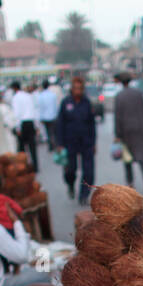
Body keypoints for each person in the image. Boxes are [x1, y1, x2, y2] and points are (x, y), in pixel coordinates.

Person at [57, 75, 97, 206]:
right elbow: (60, 124)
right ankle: (70, 184)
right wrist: (59, 144)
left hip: (86, 141)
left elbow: (92, 124)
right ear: (72, 89)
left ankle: (84, 194)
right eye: (76, 88)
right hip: (70, 142)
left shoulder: (87, 103)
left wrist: (94, 142)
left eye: (80, 88)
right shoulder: (66, 103)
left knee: (89, 171)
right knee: (70, 170)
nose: (78, 91)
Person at [112, 72, 143, 194]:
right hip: (140, 130)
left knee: (127, 159)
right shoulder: (138, 94)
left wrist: (117, 135)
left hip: (126, 132)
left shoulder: (119, 96)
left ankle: (130, 183)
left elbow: (118, 118)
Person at [10, 81, 39, 172]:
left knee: (22, 148)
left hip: (22, 123)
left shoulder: (16, 98)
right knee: (32, 147)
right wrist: (36, 126)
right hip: (31, 122)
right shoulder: (28, 96)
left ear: (14, 88)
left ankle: (22, 167)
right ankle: (35, 166)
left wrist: (17, 127)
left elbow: (17, 113)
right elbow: (34, 110)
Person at [36, 80, 60, 150]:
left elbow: (40, 108)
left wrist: (41, 117)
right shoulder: (53, 95)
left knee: (49, 132)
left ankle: (51, 145)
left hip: (46, 117)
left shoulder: (41, 96)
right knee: (53, 132)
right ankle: (54, 144)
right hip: (53, 116)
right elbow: (56, 106)